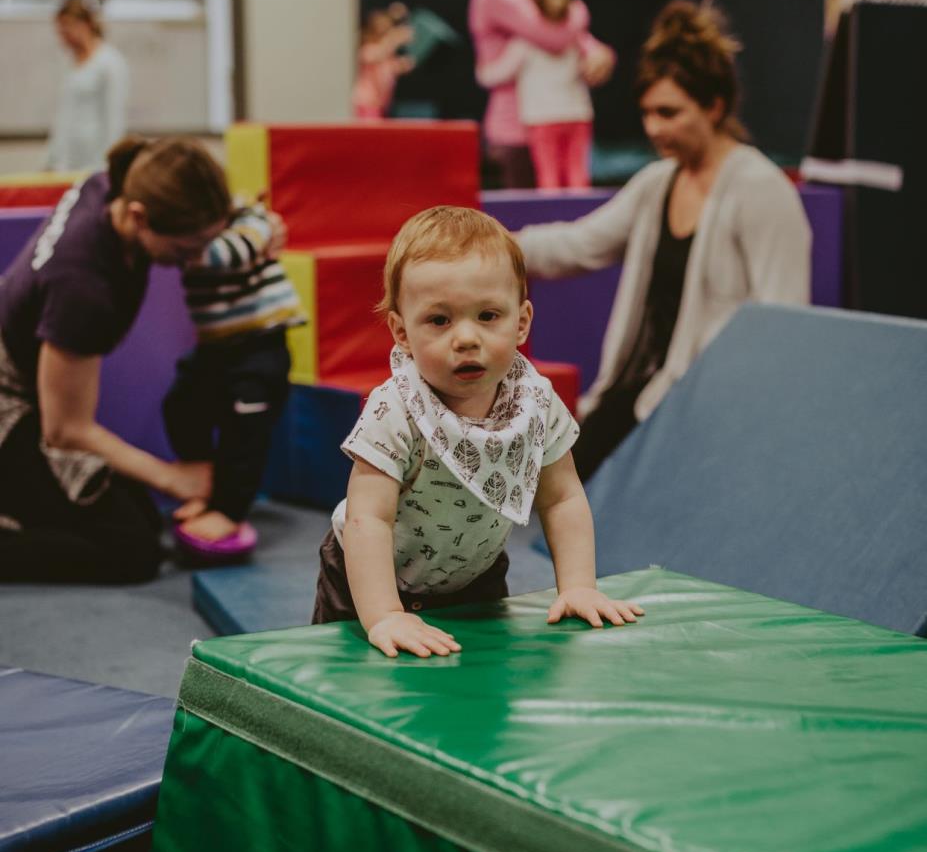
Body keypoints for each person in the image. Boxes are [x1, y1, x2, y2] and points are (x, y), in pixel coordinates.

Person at [312, 206, 644, 658]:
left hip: (474, 575)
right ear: (402, 331)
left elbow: (562, 497)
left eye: (488, 316)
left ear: (521, 321)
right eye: (439, 320)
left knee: (481, 684)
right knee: (360, 683)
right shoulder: (396, 409)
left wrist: (579, 586)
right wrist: (384, 614)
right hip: (365, 581)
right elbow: (369, 519)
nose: (466, 338)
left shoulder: (535, 404)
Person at [518, 0, 812, 482]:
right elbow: (578, 244)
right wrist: (494, 245)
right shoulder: (657, 184)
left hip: (707, 404)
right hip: (640, 390)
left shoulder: (760, 190)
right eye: (648, 113)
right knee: (565, 493)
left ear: (714, 107)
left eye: (670, 112)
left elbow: (784, 324)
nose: (654, 127)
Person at [0, 135, 232, 583]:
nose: (197, 260)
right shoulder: (83, 288)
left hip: (25, 387)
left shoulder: (115, 184)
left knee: (144, 519)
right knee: (132, 549)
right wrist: (172, 478)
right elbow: (65, 429)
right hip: (9, 409)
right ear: (140, 217)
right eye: (186, 249)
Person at [163, 197, 306, 552]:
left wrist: (178, 244)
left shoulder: (251, 221)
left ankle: (230, 509)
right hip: (215, 348)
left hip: (260, 346)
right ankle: (204, 484)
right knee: (180, 405)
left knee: (244, 430)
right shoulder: (190, 234)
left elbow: (225, 254)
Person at [468, 0, 614, 189]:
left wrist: (599, 54)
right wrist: (577, 8)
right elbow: (554, 38)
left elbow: (573, 37)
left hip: (557, 123)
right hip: (517, 135)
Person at [476, 0, 593, 189]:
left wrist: (483, 71)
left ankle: (551, 215)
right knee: (577, 171)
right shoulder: (575, 40)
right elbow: (593, 59)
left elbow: (494, 74)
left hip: (543, 118)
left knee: (548, 173)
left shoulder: (525, 44)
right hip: (577, 114)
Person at [48, 0, 130, 173]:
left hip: (95, 164)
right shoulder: (71, 63)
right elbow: (64, 116)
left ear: (85, 24)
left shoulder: (110, 62)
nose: (63, 37)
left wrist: (107, 167)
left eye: (66, 29)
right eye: (60, 31)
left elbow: (114, 120)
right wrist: (52, 159)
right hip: (66, 163)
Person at [351, 4, 414, 120]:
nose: (384, 29)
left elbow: (389, 70)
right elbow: (375, 55)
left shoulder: (387, 53)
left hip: (381, 104)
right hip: (366, 103)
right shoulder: (368, 48)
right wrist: (395, 38)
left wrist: (401, 65)